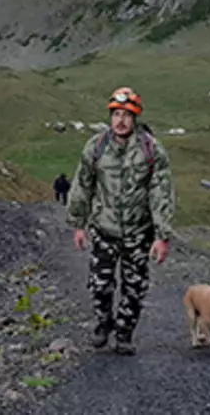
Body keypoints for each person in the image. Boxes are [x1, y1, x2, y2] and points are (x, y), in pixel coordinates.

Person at [66, 86, 176, 355]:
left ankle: (125, 333)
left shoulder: (152, 150)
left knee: (134, 287)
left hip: (139, 233)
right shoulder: (96, 146)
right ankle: (103, 324)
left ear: (135, 117)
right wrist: (78, 224)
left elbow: (161, 191)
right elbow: (83, 184)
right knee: (100, 285)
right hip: (104, 229)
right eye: (116, 114)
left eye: (127, 114)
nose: (121, 120)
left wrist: (162, 235)